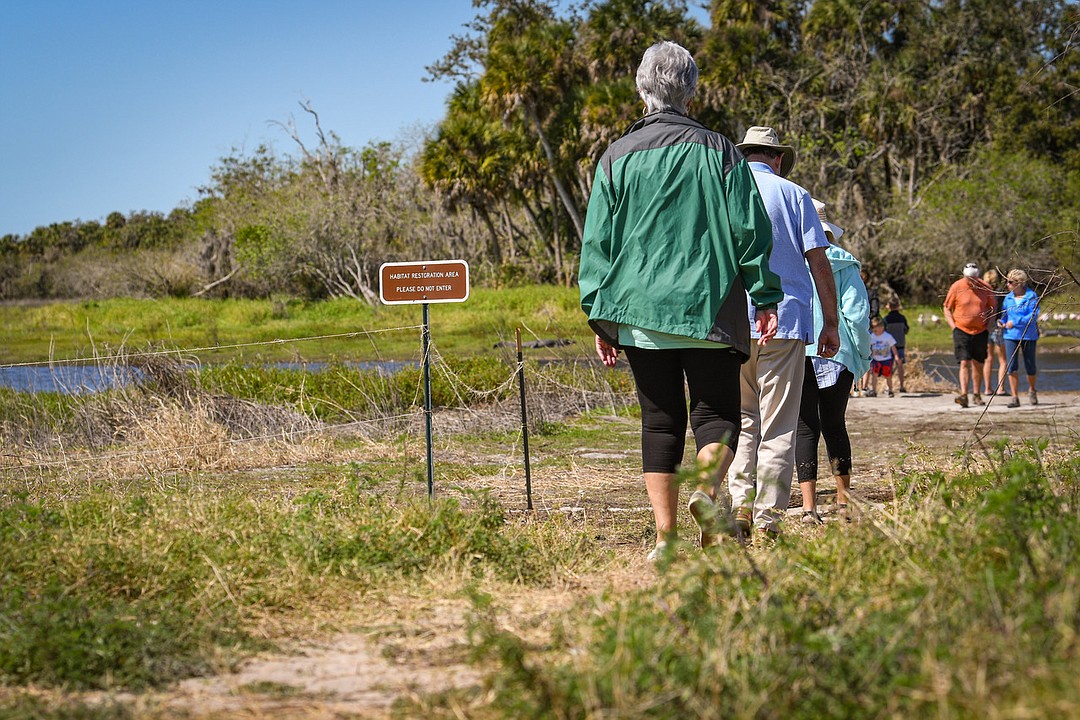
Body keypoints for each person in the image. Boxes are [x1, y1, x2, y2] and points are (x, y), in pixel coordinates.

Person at [578, 41, 783, 561]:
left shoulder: (614, 157)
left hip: (639, 311)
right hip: (710, 308)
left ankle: (664, 541)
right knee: (716, 415)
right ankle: (706, 494)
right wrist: (764, 294)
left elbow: (597, 243)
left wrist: (602, 320)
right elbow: (751, 230)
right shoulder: (721, 152)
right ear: (691, 89)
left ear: (643, 88)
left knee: (659, 421)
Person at [726, 126, 840, 540]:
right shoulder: (795, 195)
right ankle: (768, 518)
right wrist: (831, 321)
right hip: (787, 321)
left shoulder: (725, 190)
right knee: (779, 424)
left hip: (734, 322)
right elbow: (818, 261)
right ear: (775, 158)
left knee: (741, 418)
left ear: (745, 156)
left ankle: (740, 503)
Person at [795, 200, 870, 524]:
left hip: (798, 351)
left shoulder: (791, 262)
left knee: (805, 429)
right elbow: (856, 315)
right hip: (838, 356)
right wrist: (863, 358)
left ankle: (809, 508)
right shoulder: (845, 264)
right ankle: (842, 502)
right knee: (835, 426)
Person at [942, 262, 995, 408]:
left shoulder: (985, 287)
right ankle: (964, 394)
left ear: (978, 275)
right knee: (964, 362)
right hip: (961, 329)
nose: (971, 281)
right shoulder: (957, 287)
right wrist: (953, 326)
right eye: (968, 278)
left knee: (978, 362)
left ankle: (977, 394)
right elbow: (947, 308)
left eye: (973, 277)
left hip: (980, 331)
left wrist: (989, 326)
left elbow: (993, 307)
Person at [999, 268, 1041, 408]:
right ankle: (1014, 397)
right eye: (1007, 281)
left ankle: (1032, 390)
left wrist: (1015, 322)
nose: (1007, 284)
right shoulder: (1008, 298)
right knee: (1012, 366)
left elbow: (1033, 315)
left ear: (1019, 283)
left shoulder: (1032, 296)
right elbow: (1004, 314)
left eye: (1010, 282)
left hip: (1028, 335)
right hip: (1010, 336)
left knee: (1030, 365)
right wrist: (1001, 322)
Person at [982, 268, 1008, 396]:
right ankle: (1001, 388)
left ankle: (987, 388)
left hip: (986, 328)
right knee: (1002, 359)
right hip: (998, 327)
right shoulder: (1001, 293)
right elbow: (1005, 310)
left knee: (988, 359)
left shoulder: (983, 293)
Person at [868, 316, 901, 397]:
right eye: (873, 330)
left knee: (888, 375)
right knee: (874, 375)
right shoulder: (872, 336)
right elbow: (869, 347)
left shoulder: (887, 336)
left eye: (876, 329)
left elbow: (893, 347)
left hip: (886, 359)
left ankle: (890, 390)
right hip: (876, 359)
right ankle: (874, 390)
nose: (875, 331)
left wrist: (896, 357)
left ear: (882, 327)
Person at [883, 298, 909, 393]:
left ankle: (889, 387)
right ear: (898, 306)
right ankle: (902, 386)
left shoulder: (886, 319)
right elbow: (906, 330)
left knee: (888, 366)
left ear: (888, 307)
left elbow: (883, 332)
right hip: (900, 344)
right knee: (900, 365)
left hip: (888, 345)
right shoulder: (902, 318)